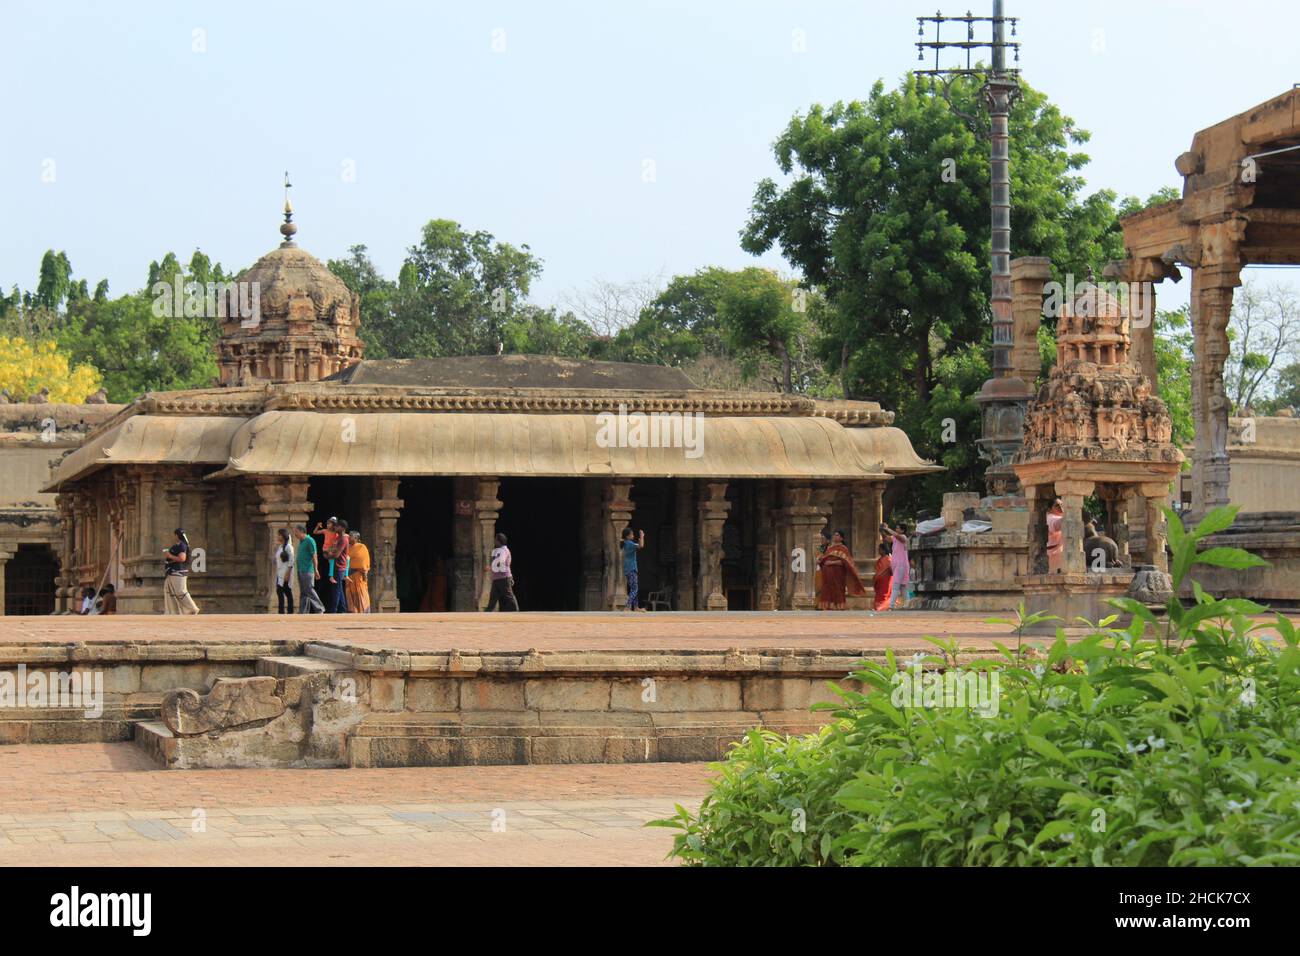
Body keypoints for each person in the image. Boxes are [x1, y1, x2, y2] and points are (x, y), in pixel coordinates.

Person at [816, 529, 867, 610]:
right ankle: (828, 606)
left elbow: (846, 562)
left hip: (838, 574)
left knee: (838, 589)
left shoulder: (843, 549)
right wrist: (820, 561)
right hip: (827, 574)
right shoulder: (830, 548)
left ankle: (839, 606)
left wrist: (832, 563)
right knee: (827, 589)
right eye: (834, 535)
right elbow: (824, 559)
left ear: (841, 538)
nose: (834, 536)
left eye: (837, 535)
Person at [162, 528, 200, 615]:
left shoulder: (182, 545)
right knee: (170, 590)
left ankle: (193, 608)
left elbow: (182, 558)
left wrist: (169, 555)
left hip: (177, 572)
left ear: (176, 535)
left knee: (180, 591)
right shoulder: (179, 545)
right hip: (172, 572)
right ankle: (174, 611)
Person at [292, 524, 325, 613]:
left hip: (307, 570)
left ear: (302, 532)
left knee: (309, 589)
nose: (295, 534)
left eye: (296, 532)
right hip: (301, 570)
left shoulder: (310, 540)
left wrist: (316, 569)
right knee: (303, 592)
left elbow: (314, 556)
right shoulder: (301, 542)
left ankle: (319, 608)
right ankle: (303, 611)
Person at [485, 532, 519, 611]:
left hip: (504, 577)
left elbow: (501, 561)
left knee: (509, 596)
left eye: (496, 540)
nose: (494, 541)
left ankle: (516, 611)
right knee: (493, 598)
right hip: (497, 578)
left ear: (499, 541)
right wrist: (490, 567)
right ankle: (487, 613)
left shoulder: (504, 550)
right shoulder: (497, 551)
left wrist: (490, 567)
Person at [344, 530, 371, 613]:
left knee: (361, 593)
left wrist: (364, 572)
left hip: (359, 574)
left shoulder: (361, 547)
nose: (349, 537)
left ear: (355, 538)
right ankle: (353, 611)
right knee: (350, 594)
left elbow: (363, 561)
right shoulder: (348, 547)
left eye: (350, 536)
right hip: (349, 575)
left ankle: (365, 611)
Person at [887, 522, 911, 610]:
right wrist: (882, 531)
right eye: (896, 528)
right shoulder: (895, 538)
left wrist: (888, 529)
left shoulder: (904, 537)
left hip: (901, 565)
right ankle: (908, 603)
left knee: (896, 585)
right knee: (902, 586)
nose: (896, 530)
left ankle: (891, 606)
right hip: (897, 565)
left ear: (903, 530)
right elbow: (888, 539)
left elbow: (897, 536)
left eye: (898, 528)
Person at [330, 519, 351, 613]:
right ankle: (343, 609)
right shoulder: (339, 538)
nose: (335, 527)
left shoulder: (343, 539)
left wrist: (329, 554)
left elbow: (337, 554)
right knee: (339, 589)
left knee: (337, 589)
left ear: (342, 528)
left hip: (340, 567)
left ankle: (333, 610)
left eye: (337, 526)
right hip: (338, 566)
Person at [622, 527, 645, 612]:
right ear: (627, 536)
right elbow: (641, 546)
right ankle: (627, 606)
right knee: (635, 589)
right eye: (631, 534)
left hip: (627, 568)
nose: (633, 535)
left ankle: (636, 607)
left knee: (633, 588)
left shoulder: (625, 543)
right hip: (631, 568)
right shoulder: (630, 543)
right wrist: (642, 536)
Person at [273, 528, 295, 614]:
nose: (278, 536)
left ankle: (289, 611)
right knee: (279, 591)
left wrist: (288, 573)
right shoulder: (281, 547)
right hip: (280, 572)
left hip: (286, 572)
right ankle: (281, 611)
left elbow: (291, 560)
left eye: (279, 535)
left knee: (287, 591)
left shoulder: (289, 547)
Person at [873, 542, 893, 612]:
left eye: (880, 549)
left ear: (884, 550)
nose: (878, 551)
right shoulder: (879, 560)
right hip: (879, 582)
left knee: (884, 595)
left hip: (886, 581)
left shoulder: (888, 559)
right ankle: (879, 607)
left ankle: (883, 608)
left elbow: (892, 570)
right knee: (879, 595)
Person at [1046, 499, 1064, 573]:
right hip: (1053, 557)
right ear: (1050, 509)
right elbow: (1057, 524)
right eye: (1057, 505)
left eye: (1062, 505)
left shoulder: (1060, 517)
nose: (1060, 507)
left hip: (1060, 556)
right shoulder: (1050, 518)